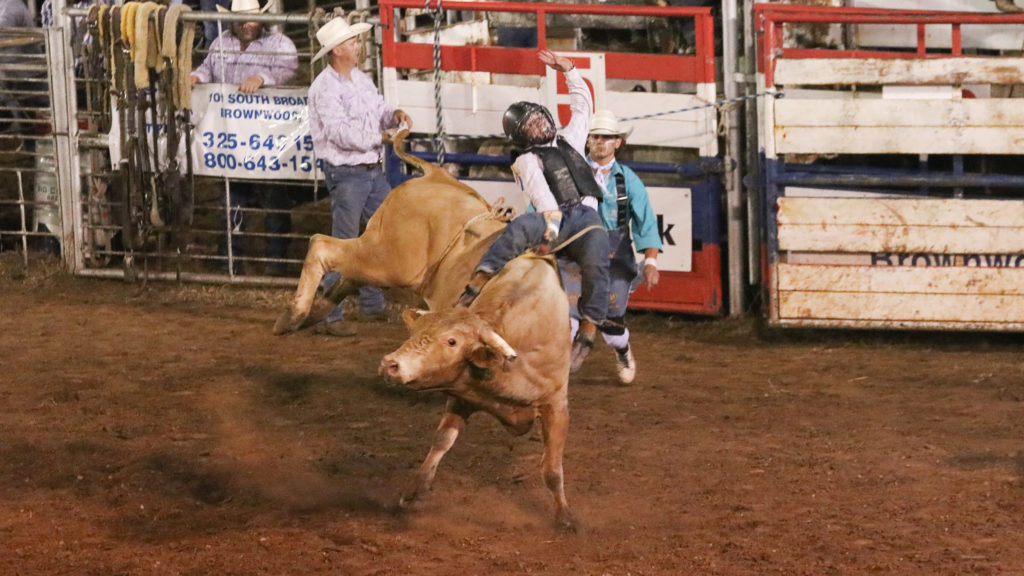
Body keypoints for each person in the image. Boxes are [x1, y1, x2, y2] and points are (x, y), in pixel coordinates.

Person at [457, 49, 610, 371]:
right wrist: (551, 228)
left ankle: (589, 328)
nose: (541, 125)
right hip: (555, 218)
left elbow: (583, 105)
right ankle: (477, 283)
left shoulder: (571, 137)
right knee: (522, 226)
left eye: (541, 118)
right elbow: (543, 198)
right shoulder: (527, 160)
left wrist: (568, 69)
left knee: (598, 258)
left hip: (588, 218)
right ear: (523, 136)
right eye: (533, 125)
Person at [307, 17, 412, 337]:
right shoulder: (324, 88)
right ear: (337, 50)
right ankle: (328, 315)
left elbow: (378, 107)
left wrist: (394, 113)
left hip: (368, 170)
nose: (357, 45)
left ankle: (371, 303)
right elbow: (340, 133)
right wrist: (380, 137)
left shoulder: (360, 79)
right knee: (344, 247)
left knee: (378, 237)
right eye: (352, 42)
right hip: (349, 172)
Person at [190, 0, 298, 276]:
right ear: (232, 20)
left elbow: (288, 70)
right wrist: (198, 77)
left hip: (269, 138)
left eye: (250, 19)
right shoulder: (219, 45)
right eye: (240, 19)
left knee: (274, 200)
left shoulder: (280, 43)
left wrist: (262, 77)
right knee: (234, 198)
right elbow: (207, 67)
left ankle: (277, 263)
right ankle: (232, 261)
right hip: (234, 139)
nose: (246, 24)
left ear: (260, 20)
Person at [560, 110, 661, 384]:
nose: (601, 142)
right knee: (566, 316)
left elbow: (646, 222)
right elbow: (544, 206)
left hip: (613, 256)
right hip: (574, 252)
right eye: (595, 137)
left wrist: (650, 261)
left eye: (607, 137)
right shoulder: (569, 175)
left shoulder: (629, 181)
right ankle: (559, 366)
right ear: (588, 141)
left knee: (611, 325)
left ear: (617, 142)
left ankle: (622, 350)